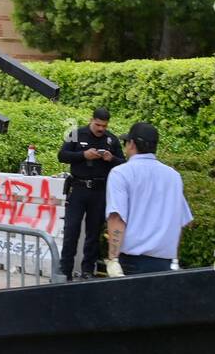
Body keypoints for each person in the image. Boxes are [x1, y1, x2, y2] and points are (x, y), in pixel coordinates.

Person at [103, 122, 193, 276]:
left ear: (131, 144)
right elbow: (182, 220)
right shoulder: (173, 176)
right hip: (165, 262)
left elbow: (117, 217)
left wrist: (113, 259)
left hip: (132, 261)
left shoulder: (121, 173)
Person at [57, 107, 123, 279]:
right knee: (71, 230)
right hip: (78, 188)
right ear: (91, 120)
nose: (101, 129)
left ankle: (87, 271)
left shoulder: (111, 140)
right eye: (98, 125)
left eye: (104, 126)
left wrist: (112, 159)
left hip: (99, 190)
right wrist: (83, 155)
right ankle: (66, 271)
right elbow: (62, 155)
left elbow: (123, 163)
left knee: (93, 233)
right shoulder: (76, 134)